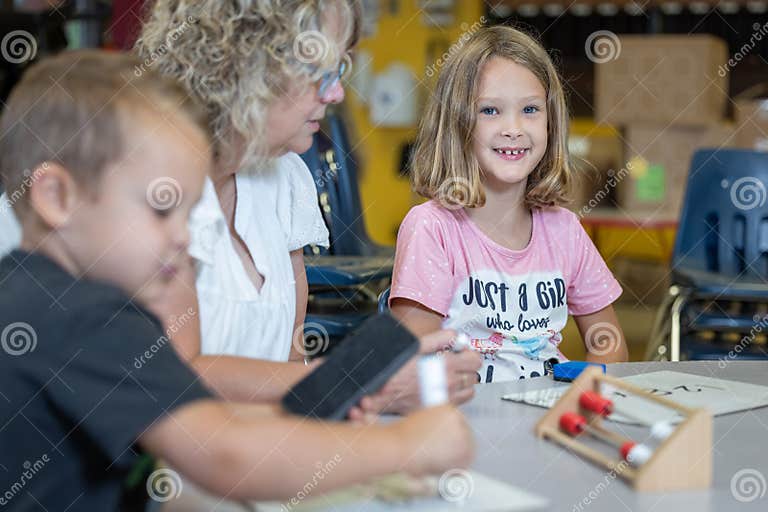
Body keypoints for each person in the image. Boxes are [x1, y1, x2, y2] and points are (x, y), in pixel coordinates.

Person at [0, 50, 473, 511]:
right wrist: (403, 444)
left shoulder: (36, 296)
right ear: (57, 197)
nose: (183, 237)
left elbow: (185, 424)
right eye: (162, 209)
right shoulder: (83, 317)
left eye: (188, 212)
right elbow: (224, 452)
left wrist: (330, 429)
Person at [0, 0, 481, 413]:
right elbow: (173, 379)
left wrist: (364, 381)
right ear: (246, 68)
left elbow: (288, 367)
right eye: (321, 72)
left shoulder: (284, 177)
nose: (335, 93)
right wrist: (361, 382)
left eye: (341, 72)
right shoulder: (144, 192)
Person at [389, 26, 628, 384]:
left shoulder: (564, 228)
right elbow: (413, 361)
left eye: (530, 109)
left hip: (545, 413)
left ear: (551, 121)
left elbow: (610, 344)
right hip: (467, 422)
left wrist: (584, 391)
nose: (513, 128)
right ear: (456, 124)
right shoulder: (432, 228)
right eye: (490, 111)